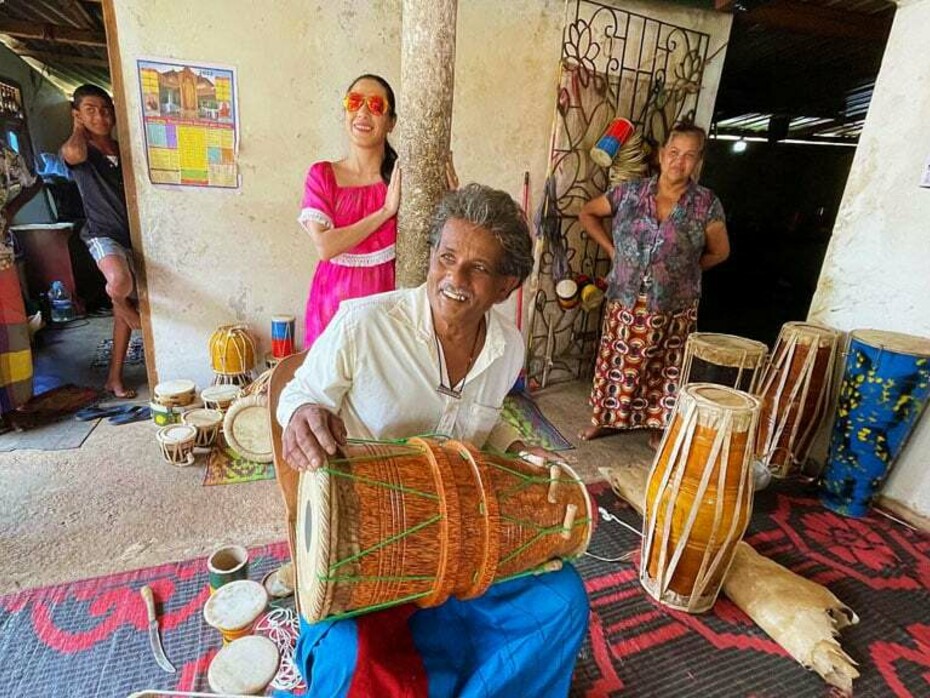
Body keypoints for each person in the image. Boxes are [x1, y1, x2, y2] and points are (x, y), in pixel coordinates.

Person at [277, 184, 589, 697]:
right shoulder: (365, 322)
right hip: (368, 546)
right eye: (446, 257)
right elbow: (301, 394)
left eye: (478, 268)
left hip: (466, 540)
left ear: (507, 284)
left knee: (561, 600)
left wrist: (517, 450)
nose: (455, 279)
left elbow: (487, 423)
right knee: (351, 659)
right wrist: (304, 413)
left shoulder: (508, 348)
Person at [577, 122, 729, 446]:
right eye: (674, 153)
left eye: (689, 156)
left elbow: (720, 251)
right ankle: (606, 420)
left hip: (674, 303)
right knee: (616, 360)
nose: (679, 162)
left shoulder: (705, 204)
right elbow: (587, 213)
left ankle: (658, 427)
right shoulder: (630, 192)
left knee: (666, 366)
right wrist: (611, 250)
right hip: (626, 296)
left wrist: (685, 271)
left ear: (698, 162)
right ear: (661, 155)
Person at [298, 73, 401, 348]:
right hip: (329, 312)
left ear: (391, 122)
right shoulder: (322, 175)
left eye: (376, 105)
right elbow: (326, 246)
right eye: (354, 102)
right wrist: (385, 212)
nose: (363, 112)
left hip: (386, 317)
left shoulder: (402, 180)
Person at [60, 84, 139, 399]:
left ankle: (114, 378)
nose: (101, 116)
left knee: (124, 311)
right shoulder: (79, 150)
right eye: (90, 110)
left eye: (105, 109)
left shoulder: (122, 150)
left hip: (131, 236)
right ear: (77, 114)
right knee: (118, 283)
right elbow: (74, 153)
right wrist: (78, 128)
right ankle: (119, 303)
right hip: (101, 233)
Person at [0, 144, 42, 430]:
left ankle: (14, 403)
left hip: (0, 255)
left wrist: (10, 211)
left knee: (11, 330)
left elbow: (33, 183)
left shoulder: (3, 155)